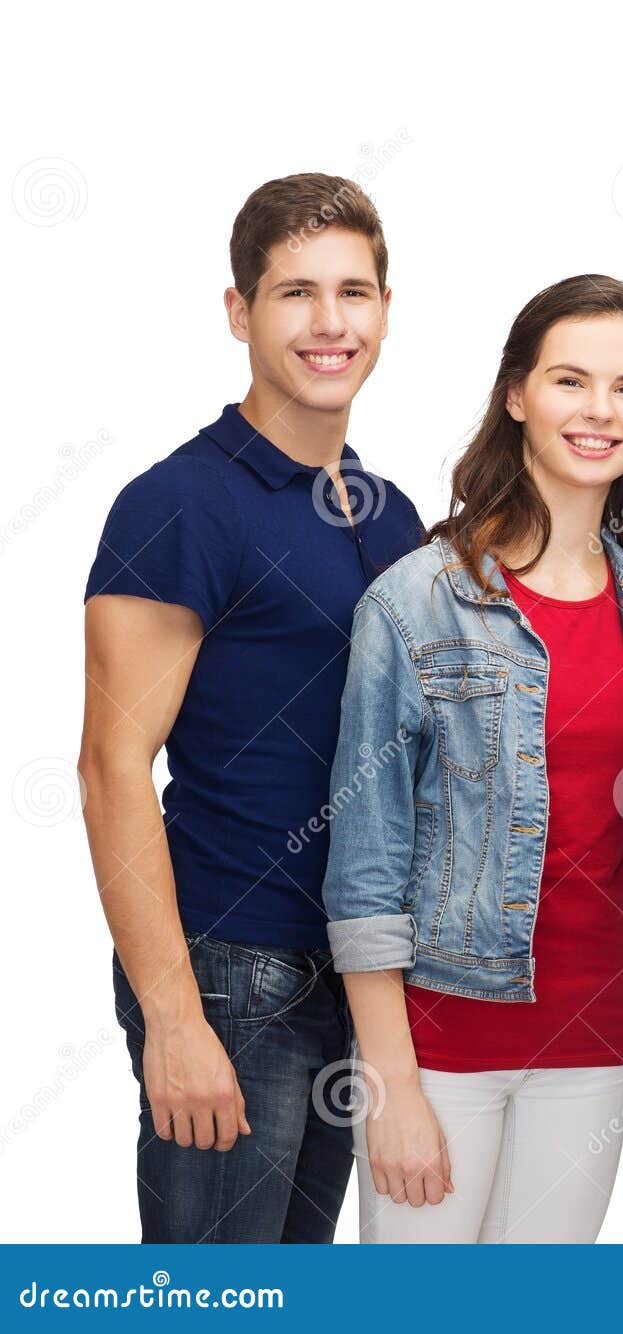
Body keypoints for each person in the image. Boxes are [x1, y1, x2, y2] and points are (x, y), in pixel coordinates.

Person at [80, 174, 423, 1243]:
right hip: (231, 973)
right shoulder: (178, 502)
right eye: (295, 294)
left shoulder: (389, 509)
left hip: (356, 972)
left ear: (385, 308)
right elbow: (109, 767)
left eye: (355, 293)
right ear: (239, 312)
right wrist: (174, 1018)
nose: (331, 323)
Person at [320, 275, 623, 1243]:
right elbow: (364, 866)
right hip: (440, 1044)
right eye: (572, 380)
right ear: (517, 395)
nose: (600, 411)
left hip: (596, 1032)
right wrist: (391, 1083)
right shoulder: (416, 600)